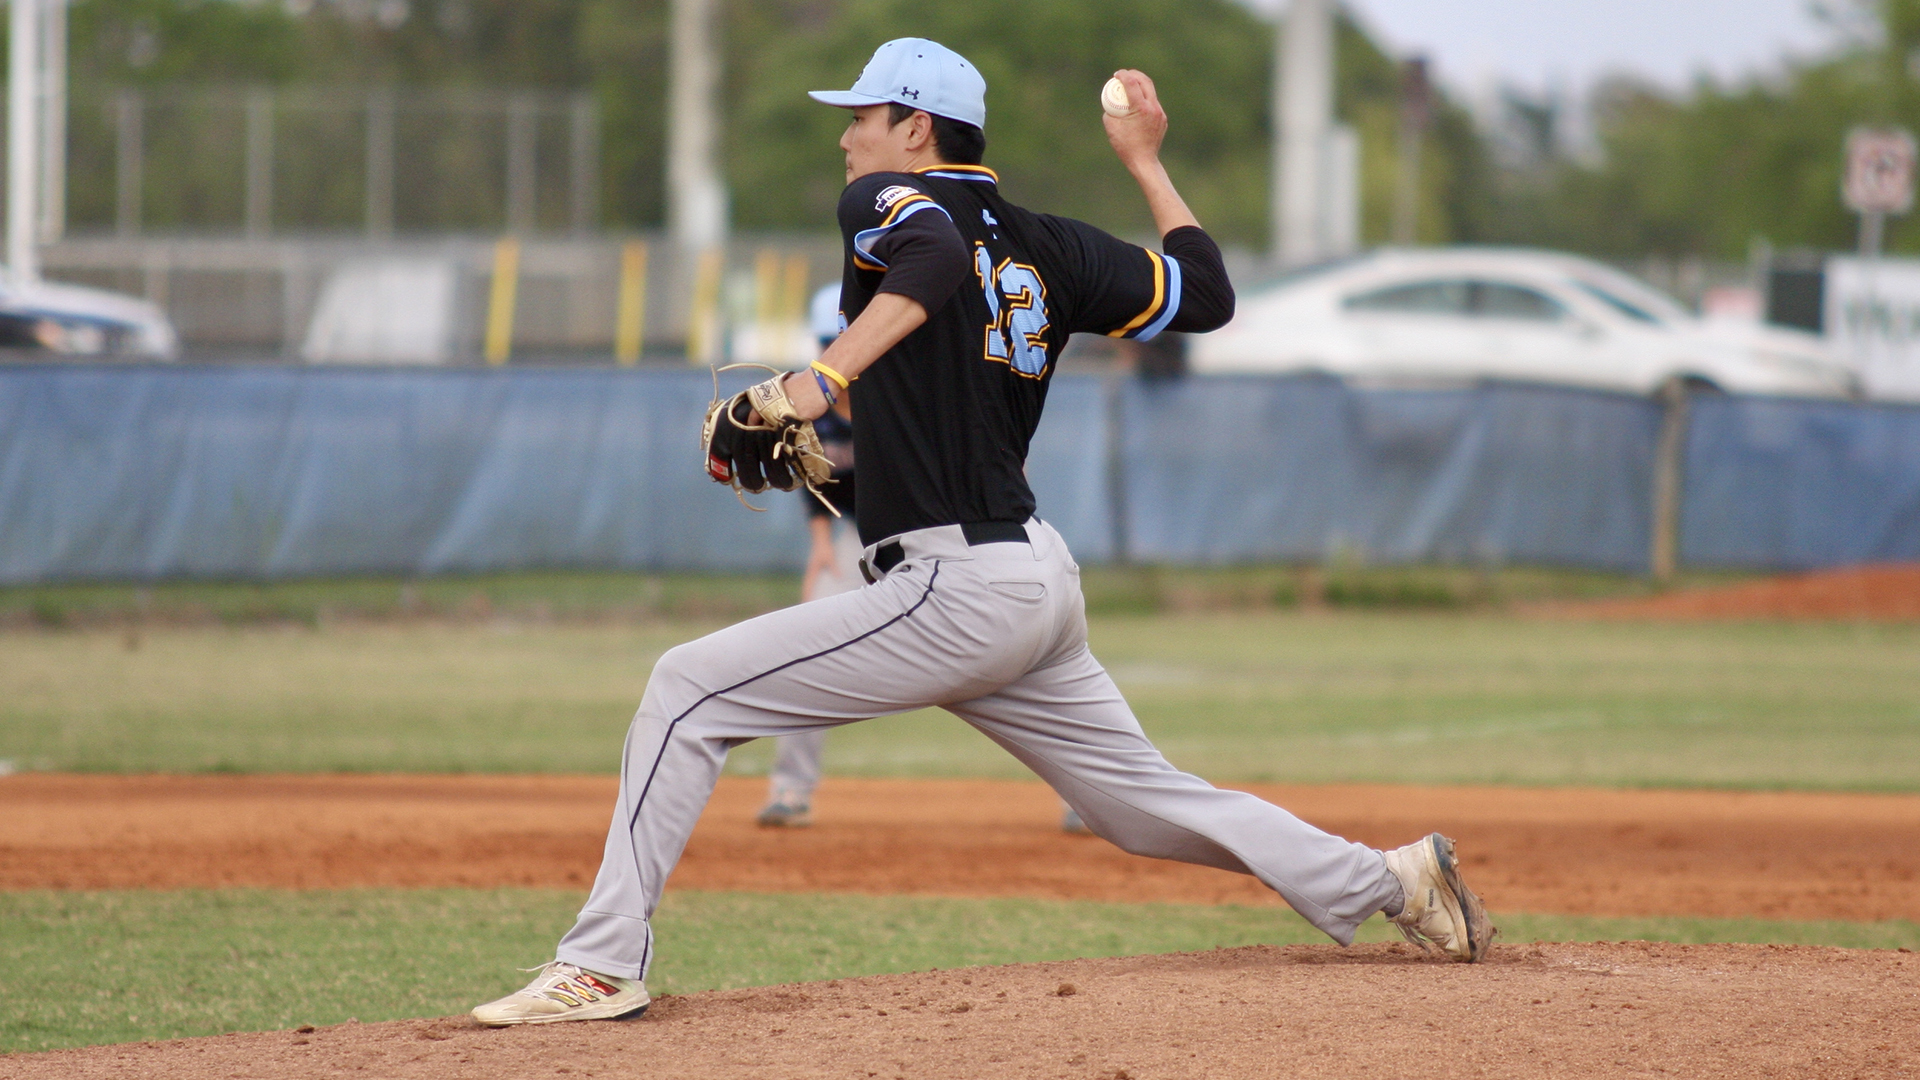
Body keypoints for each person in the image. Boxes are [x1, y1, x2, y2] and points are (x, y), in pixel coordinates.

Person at [472, 38, 1491, 1027]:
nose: (848, 139)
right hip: (1031, 579)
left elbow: (929, 254)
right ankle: (1395, 881)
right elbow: (1206, 293)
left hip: (952, 586)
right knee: (1142, 807)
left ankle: (600, 964)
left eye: (863, 118)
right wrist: (1145, 164)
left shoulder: (888, 199)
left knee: (686, 689)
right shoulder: (1053, 244)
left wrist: (812, 382)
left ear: (916, 128)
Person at [756, 285, 861, 829]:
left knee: (1005, 655)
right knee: (808, 655)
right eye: (827, 343)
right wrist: (820, 546)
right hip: (854, 539)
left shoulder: (903, 399)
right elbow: (816, 485)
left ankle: (1089, 794)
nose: (835, 353)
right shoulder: (811, 408)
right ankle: (791, 789)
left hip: (930, 534)